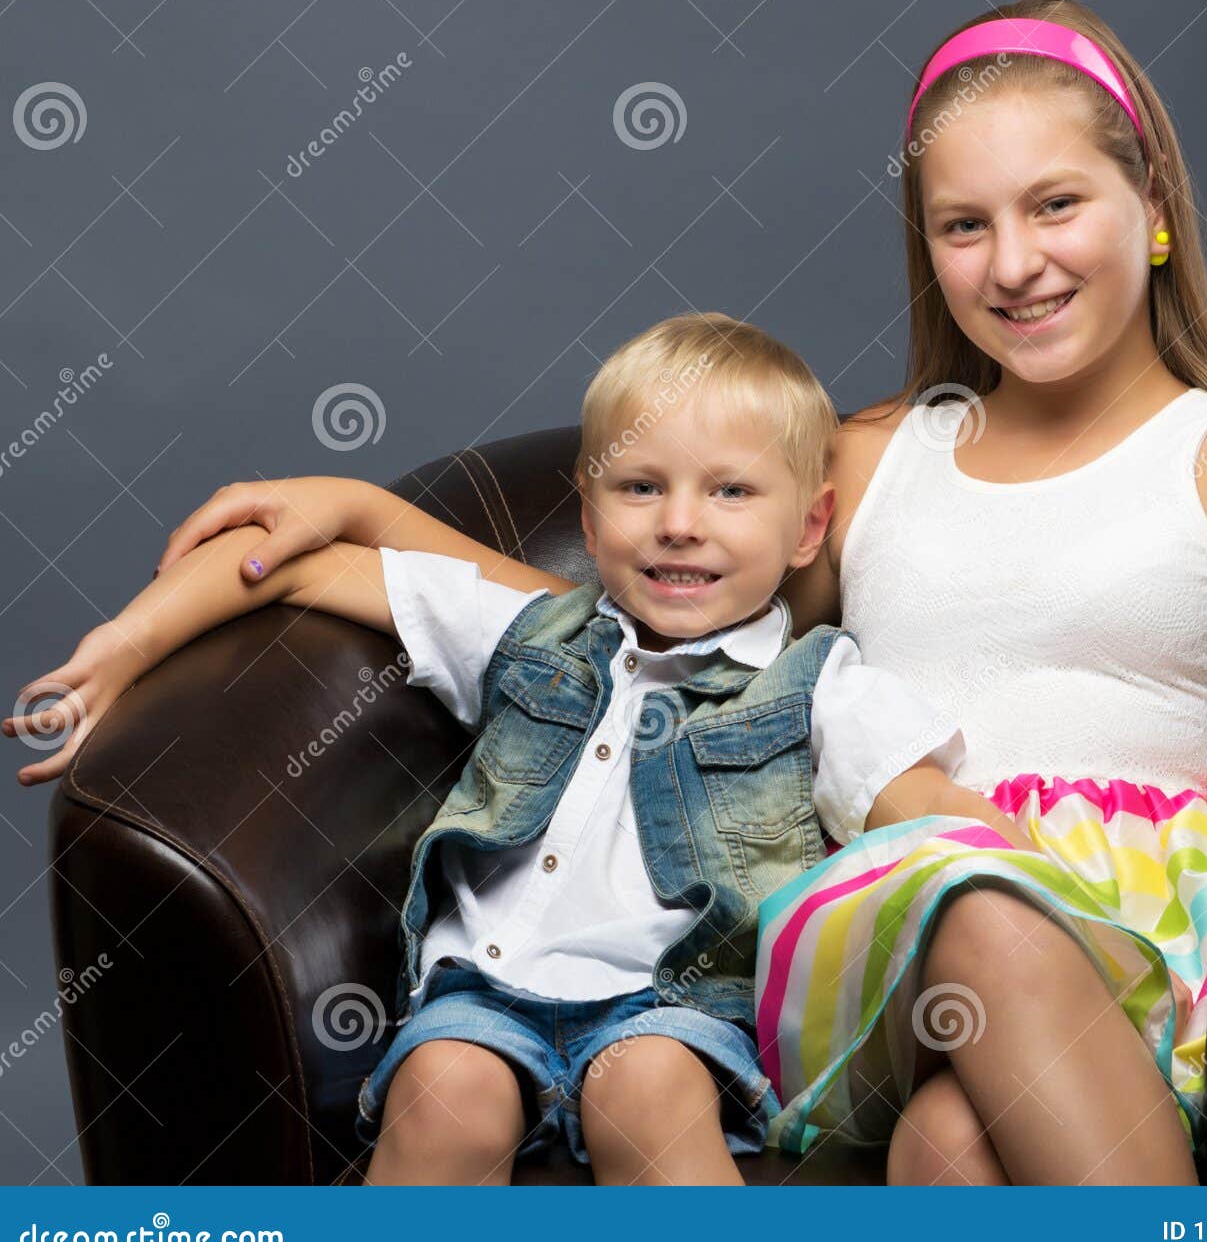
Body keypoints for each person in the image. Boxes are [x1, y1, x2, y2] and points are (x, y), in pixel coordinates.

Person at [117, 0, 1207, 1186]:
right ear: (930, 247)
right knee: (974, 910)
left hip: (1125, 946)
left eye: (1057, 205)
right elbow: (648, 612)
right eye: (966, 226)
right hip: (894, 923)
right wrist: (377, 513)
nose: (1016, 263)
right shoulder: (883, 459)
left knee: (958, 1148)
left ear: (1148, 204)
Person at [6, 313, 1028, 1185]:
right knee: (446, 1093)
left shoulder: (817, 687)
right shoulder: (525, 632)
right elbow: (289, 567)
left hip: (675, 1008)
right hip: (479, 991)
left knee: (648, 1089)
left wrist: (1062, 899)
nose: (679, 524)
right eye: (638, 488)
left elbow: (926, 807)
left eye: (729, 492)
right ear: (588, 514)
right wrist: (120, 651)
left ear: (809, 528)